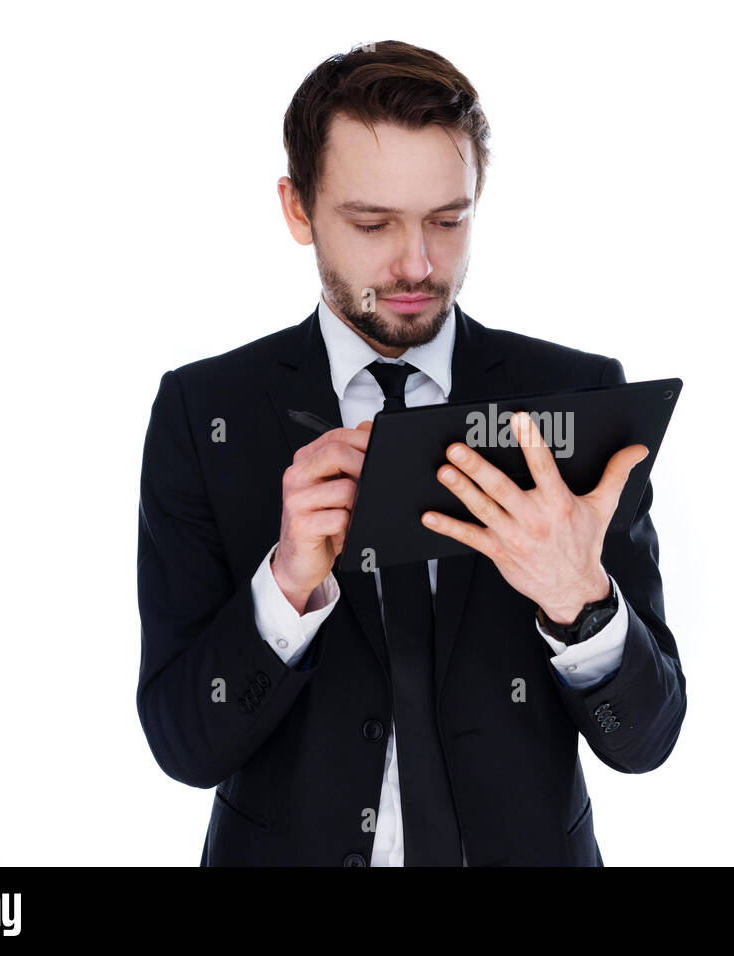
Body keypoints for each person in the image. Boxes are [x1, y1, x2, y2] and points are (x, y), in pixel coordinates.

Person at [136, 40, 686, 866]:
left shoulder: (575, 398)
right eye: (371, 223)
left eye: (447, 220)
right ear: (298, 209)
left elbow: (646, 740)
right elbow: (184, 746)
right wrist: (284, 589)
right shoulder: (203, 411)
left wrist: (582, 598)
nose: (418, 265)